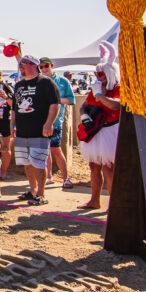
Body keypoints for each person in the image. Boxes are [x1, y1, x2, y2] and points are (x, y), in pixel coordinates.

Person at [10, 55, 61, 205]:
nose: (21, 66)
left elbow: (55, 104)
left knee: (38, 162)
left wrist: (49, 123)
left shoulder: (45, 82)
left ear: (33, 65)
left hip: (39, 129)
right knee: (26, 162)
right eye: (20, 64)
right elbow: (14, 107)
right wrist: (12, 125)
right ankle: (32, 190)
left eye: (24, 63)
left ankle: (41, 194)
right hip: (22, 130)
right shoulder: (19, 85)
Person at [79, 61, 122, 211]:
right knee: (94, 166)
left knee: (109, 167)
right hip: (95, 130)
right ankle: (94, 200)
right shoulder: (96, 88)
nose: (97, 77)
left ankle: (113, 204)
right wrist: (84, 116)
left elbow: (116, 105)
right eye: (96, 74)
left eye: (100, 74)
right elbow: (84, 105)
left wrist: (99, 95)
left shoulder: (117, 89)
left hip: (111, 130)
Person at [39, 57, 75, 189]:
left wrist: (56, 99)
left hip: (56, 121)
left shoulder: (62, 81)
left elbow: (71, 100)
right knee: (45, 150)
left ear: (52, 65)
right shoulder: (39, 81)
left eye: (46, 66)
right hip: (41, 121)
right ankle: (48, 176)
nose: (44, 69)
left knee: (56, 149)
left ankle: (66, 178)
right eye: (41, 67)